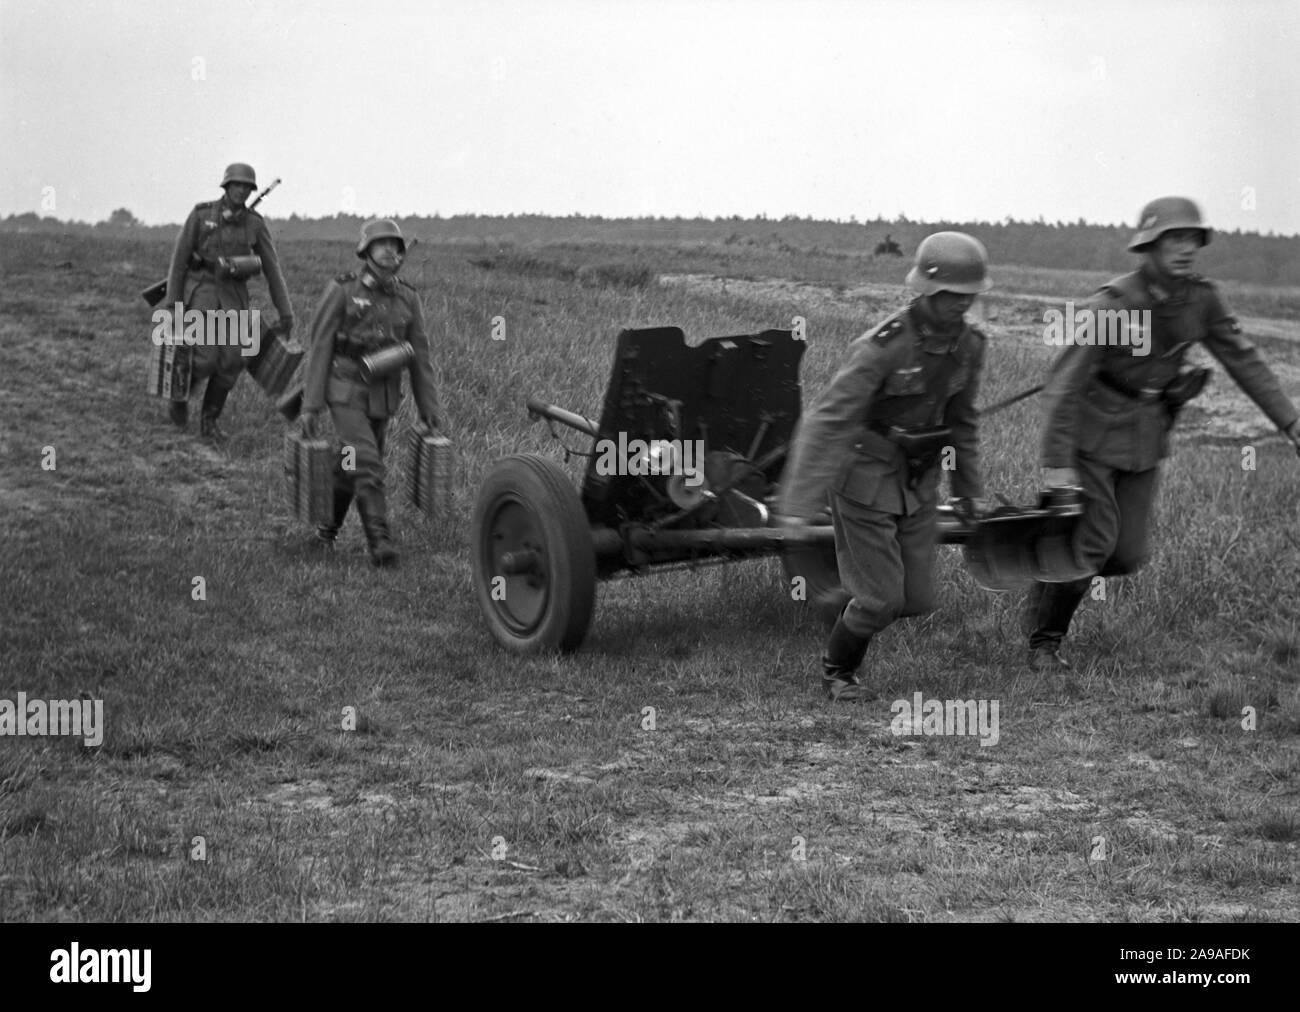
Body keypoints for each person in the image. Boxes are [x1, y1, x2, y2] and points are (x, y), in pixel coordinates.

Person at [1026, 196, 1300, 669]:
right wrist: (1056, 466)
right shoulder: (1115, 302)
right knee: (1092, 542)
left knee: (1126, 554)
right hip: (1090, 440)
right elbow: (1062, 387)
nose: (1185, 248)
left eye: (1192, 239)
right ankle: (1044, 641)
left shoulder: (1202, 299)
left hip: (1145, 438)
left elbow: (1244, 358)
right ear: (1149, 246)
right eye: (1174, 238)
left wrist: (1291, 422)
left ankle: (1051, 573)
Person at [777, 232, 991, 701]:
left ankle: (841, 603)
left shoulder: (971, 346)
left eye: (968, 296)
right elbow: (828, 420)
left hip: (918, 482)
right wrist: (797, 505)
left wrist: (969, 491)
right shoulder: (882, 346)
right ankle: (838, 673)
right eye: (950, 295)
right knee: (881, 599)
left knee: (915, 600)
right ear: (925, 291)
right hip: (863, 480)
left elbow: (963, 421)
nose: (960, 305)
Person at [299, 219, 441, 566]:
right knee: (366, 460)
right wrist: (311, 405)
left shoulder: (408, 297)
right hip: (344, 388)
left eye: (395, 244)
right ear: (366, 251)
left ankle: (325, 533)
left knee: (350, 464)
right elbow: (320, 347)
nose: (389, 250)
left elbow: (420, 358)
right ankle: (380, 541)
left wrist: (429, 408)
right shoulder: (343, 290)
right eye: (381, 244)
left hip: (382, 395)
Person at [163, 162, 295, 437]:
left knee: (234, 360)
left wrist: (286, 312)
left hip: (234, 297)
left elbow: (272, 268)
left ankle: (210, 422)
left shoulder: (254, 224)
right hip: (203, 292)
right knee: (206, 359)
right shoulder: (202, 215)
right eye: (237, 185)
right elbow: (179, 262)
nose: (242, 191)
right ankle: (180, 398)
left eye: (247, 187)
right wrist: (174, 306)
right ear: (226, 186)